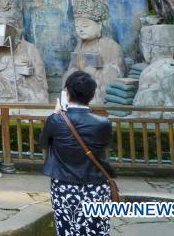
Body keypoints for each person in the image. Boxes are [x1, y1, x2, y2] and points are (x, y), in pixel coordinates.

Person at [40, 71, 115, 236]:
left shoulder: (55, 120)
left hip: (64, 187)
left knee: (67, 229)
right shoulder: (104, 123)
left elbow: (43, 143)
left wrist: (57, 113)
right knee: (97, 229)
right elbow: (106, 145)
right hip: (95, 186)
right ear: (92, 95)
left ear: (67, 93)